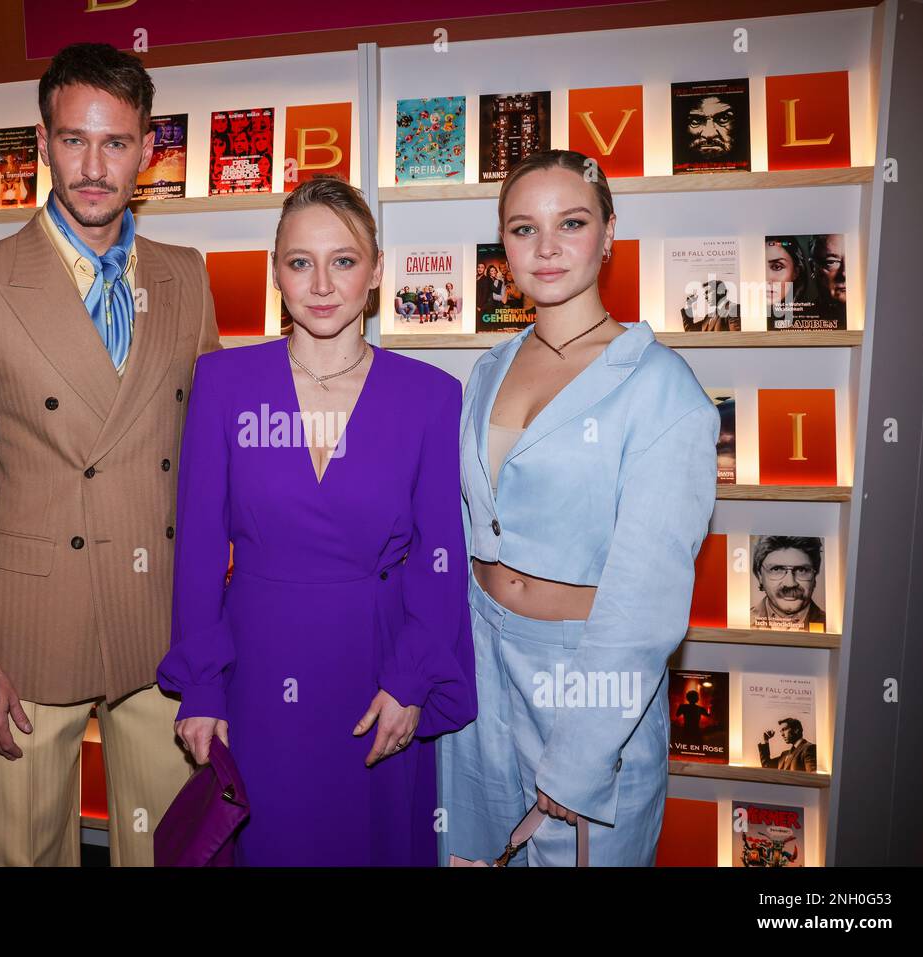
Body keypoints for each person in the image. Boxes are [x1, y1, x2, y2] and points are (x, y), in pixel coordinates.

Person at [0, 41, 220, 867]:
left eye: (115, 143)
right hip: (24, 633)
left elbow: (208, 463)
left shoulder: (186, 277)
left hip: (159, 629)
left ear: (147, 152)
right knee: (22, 854)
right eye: (73, 140)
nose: (92, 165)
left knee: (166, 851)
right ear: (42, 142)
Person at [158, 176, 476, 866]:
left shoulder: (430, 396)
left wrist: (411, 679)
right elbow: (200, 550)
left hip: (379, 671)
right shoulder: (223, 383)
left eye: (344, 260)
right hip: (258, 670)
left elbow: (439, 558)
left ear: (377, 271)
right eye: (301, 261)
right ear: (276, 271)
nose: (322, 283)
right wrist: (203, 685)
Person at [440, 149, 718, 866]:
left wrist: (583, 752)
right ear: (502, 245)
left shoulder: (661, 388)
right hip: (481, 663)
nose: (548, 246)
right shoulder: (488, 368)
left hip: (588, 681)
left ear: (610, 233)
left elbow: (646, 599)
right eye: (523, 228)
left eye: (572, 222)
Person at [749, 535, 825, 631]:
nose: (790, 583)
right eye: (776, 569)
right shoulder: (742, 622)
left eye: (801, 570)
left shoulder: (829, 624)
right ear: (759, 576)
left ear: (815, 575)